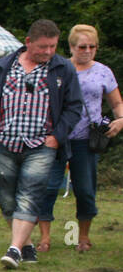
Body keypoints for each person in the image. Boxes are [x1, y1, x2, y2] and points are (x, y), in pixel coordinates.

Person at [0, 19, 83, 269]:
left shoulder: (63, 69)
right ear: (28, 42)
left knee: (30, 192)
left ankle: (13, 250)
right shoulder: (3, 66)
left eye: (53, 46)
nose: (48, 52)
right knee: (7, 198)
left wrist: (57, 136)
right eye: (43, 47)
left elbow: (74, 107)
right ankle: (26, 244)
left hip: (41, 145)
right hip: (4, 144)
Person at [35, 24, 123, 253]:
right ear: (71, 47)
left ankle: (83, 236)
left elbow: (116, 103)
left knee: (85, 189)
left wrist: (120, 120)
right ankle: (44, 238)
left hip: (86, 138)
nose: (87, 50)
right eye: (82, 46)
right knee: (48, 187)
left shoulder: (103, 72)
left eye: (92, 46)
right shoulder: (57, 68)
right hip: (57, 136)